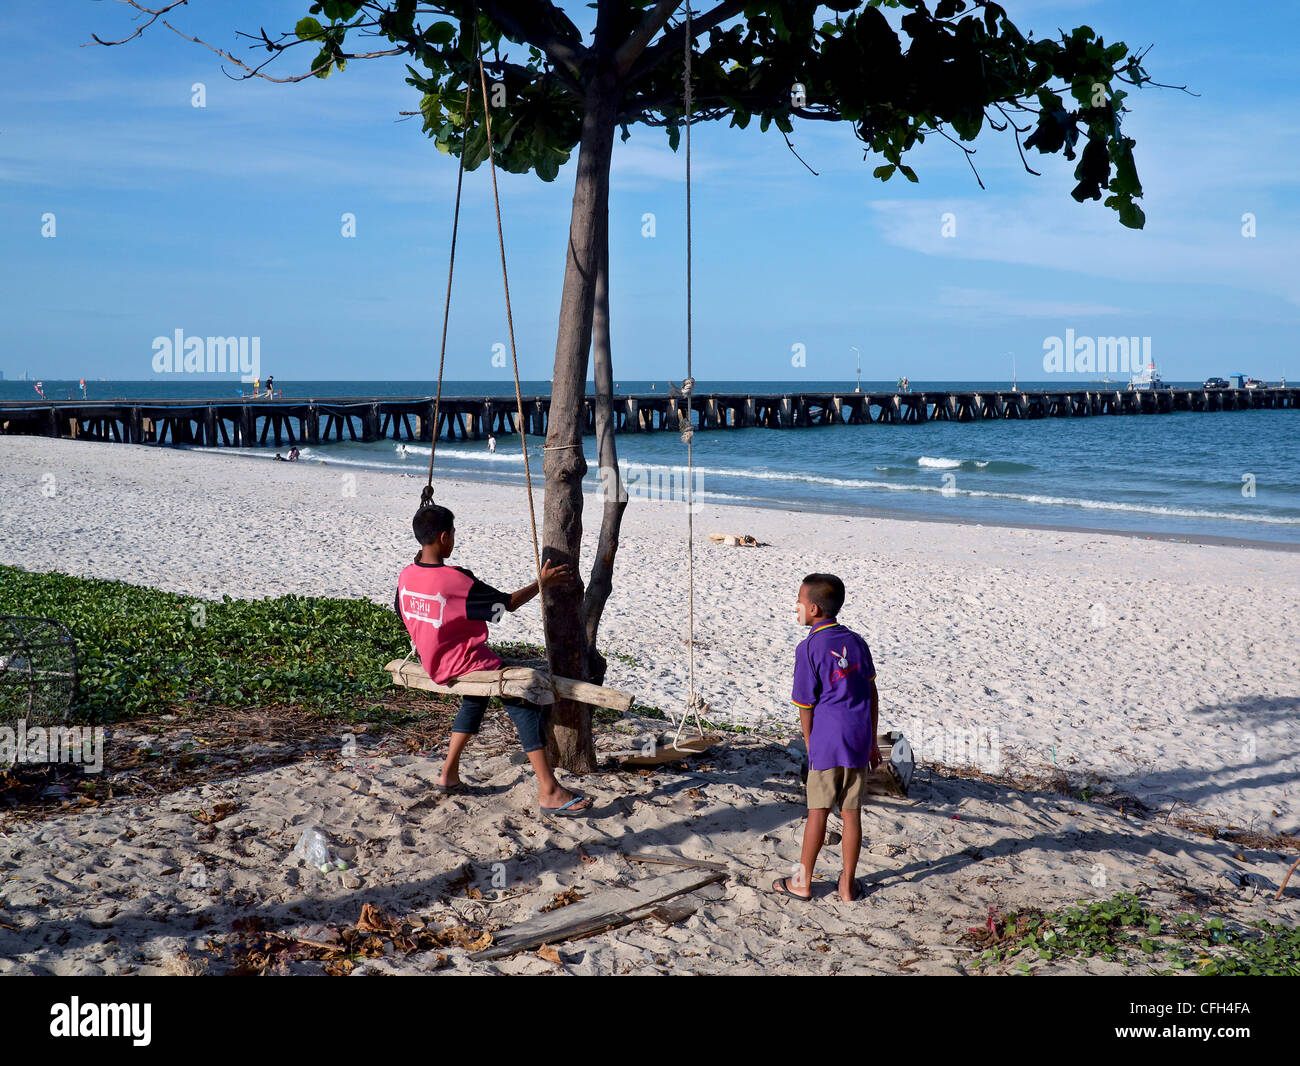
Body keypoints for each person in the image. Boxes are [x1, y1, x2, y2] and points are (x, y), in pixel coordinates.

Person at [394, 504, 591, 815]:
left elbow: (402, 612)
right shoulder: (456, 580)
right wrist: (542, 583)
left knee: (475, 699)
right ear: (444, 537)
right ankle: (549, 789)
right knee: (523, 696)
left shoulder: (407, 575)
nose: (454, 539)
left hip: (433, 660)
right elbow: (506, 605)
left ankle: (448, 773)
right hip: (461, 661)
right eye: (453, 534)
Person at [773, 573, 881, 903]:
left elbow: (806, 704)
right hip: (858, 738)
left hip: (826, 739)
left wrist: (808, 740)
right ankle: (847, 885)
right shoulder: (857, 642)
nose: (797, 607)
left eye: (800, 602)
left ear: (815, 609)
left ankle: (802, 882)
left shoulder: (808, 648)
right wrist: (873, 739)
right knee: (851, 815)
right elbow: (872, 692)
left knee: (817, 812)